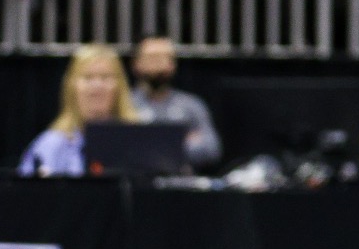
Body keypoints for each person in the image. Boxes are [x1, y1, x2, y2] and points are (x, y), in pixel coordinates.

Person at [19, 43, 142, 175]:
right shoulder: (50, 145)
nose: (97, 86)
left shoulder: (138, 142)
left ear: (120, 86)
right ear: (72, 86)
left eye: (105, 77)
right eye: (88, 77)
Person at [129, 36, 221, 169]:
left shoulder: (191, 105)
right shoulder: (125, 103)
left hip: (181, 178)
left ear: (173, 64)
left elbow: (211, 149)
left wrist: (148, 144)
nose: (159, 64)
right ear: (136, 63)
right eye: (152, 57)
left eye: (165, 57)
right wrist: (182, 139)